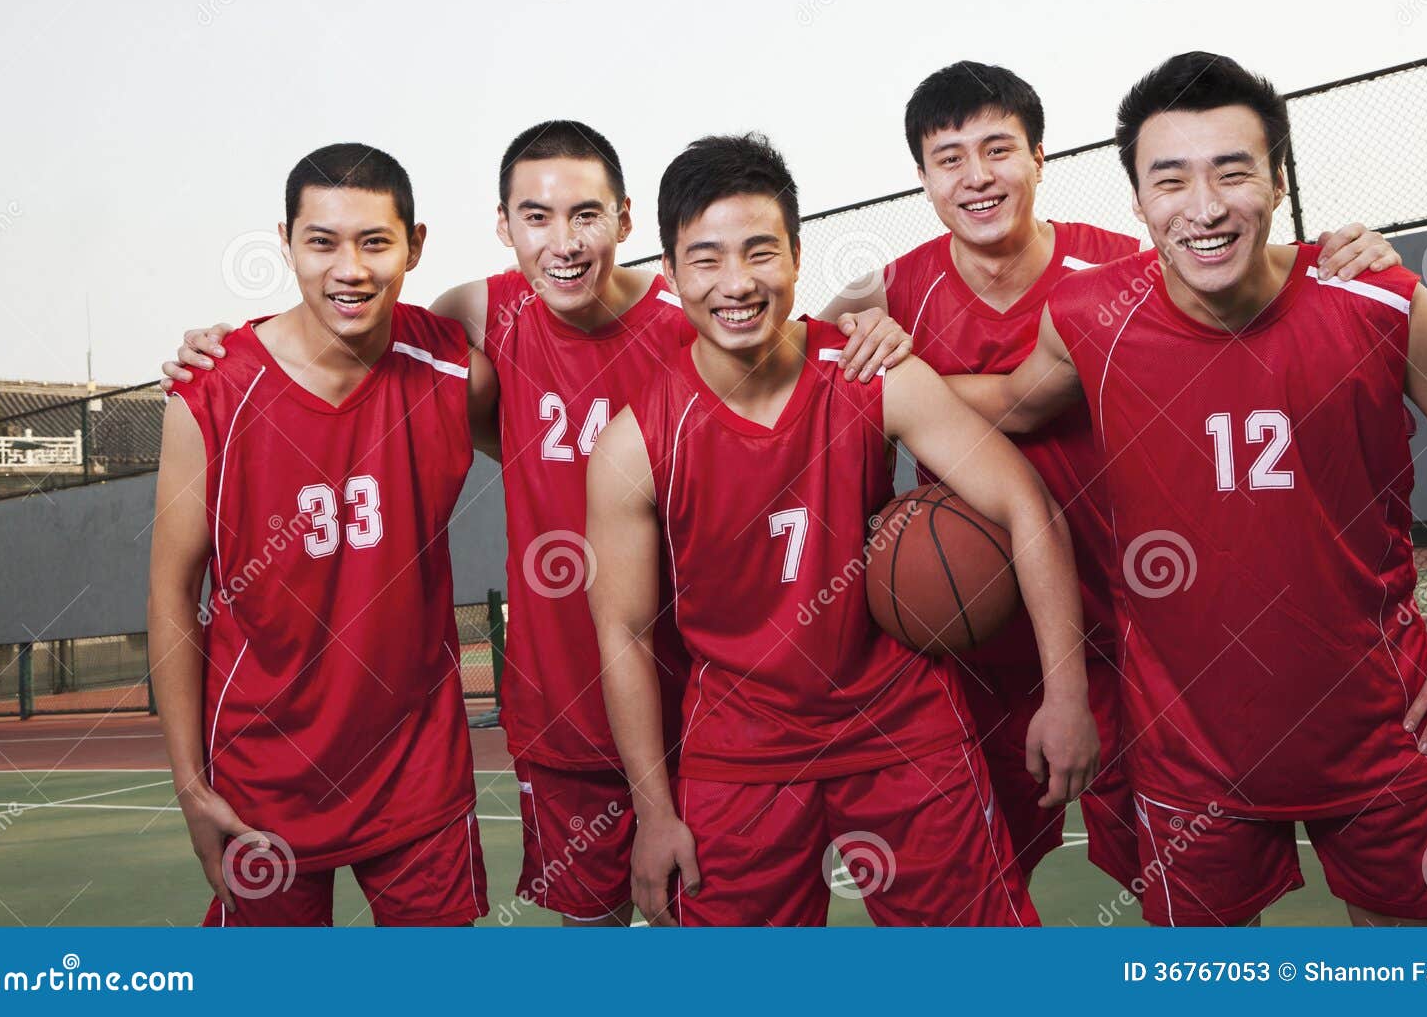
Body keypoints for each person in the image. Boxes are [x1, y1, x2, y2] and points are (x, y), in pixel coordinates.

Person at [159, 121, 910, 925]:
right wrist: (226, 349)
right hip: (560, 718)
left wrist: (871, 328)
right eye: (537, 217)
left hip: (705, 708)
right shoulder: (475, 324)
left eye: (586, 215)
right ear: (503, 224)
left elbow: (792, 350)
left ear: (624, 220)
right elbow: (373, 347)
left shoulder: (691, 319)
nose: (564, 242)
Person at [952, 52, 1427, 925]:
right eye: (1169, 179)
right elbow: (1008, 405)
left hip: (1379, 728)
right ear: (1136, 201)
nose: (1204, 207)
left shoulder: (1375, 300)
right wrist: (863, 360)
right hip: (1188, 751)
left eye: (1233, 171)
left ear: (1280, 181)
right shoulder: (1090, 317)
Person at [822, 60, 1401, 893]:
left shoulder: (1124, 270)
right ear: (921, 177)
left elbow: (1242, 270)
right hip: (978, 636)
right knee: (979, 885)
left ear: (1040, 159)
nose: (976, 176)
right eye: (949, 158)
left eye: (998, 149)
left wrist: (1348, 248)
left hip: (1136, 634)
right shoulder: (887, 295)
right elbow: (791, 365)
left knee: (1178, 889)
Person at [587, 132, 1099, 926]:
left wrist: (1066, 694)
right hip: (740, 748)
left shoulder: (872, 372)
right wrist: (654, 811)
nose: (737, 283)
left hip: (899, 722)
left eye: (761, 252)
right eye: (707, 258)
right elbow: (622, 630)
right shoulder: (635, 440)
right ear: (670, 271)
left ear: (796, 256)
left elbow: (1024, 503)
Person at [148, 143, 499, 925]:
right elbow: (173, 594)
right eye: (323, 241)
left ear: (415, 245)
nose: (351, 268)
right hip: (263, 779)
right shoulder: (211, 393)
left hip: (417, 772)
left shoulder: (452, 371)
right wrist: (190, 785)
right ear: (285, 241)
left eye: (375, 241)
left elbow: (569, 450)